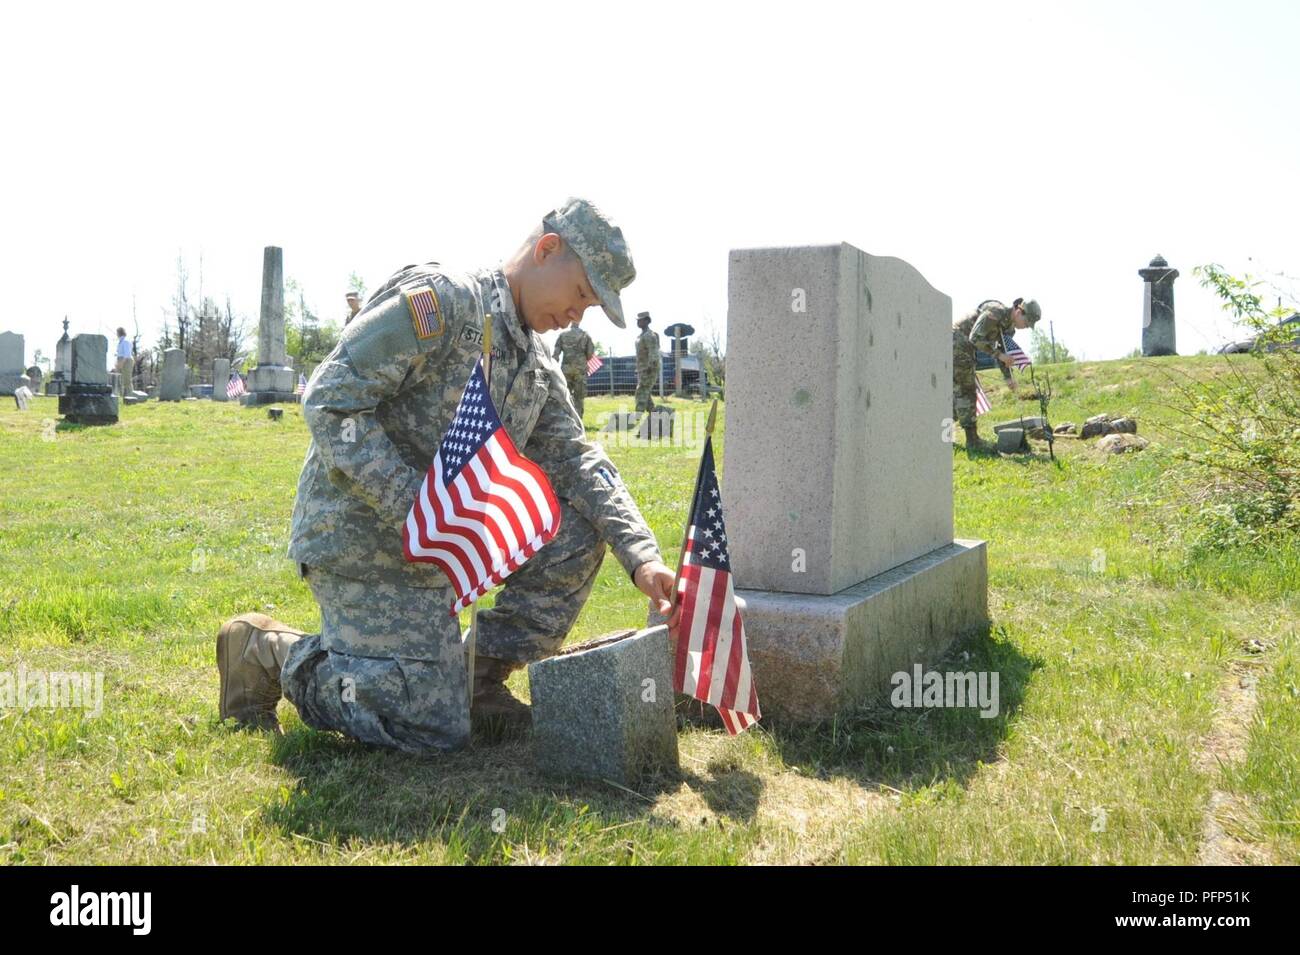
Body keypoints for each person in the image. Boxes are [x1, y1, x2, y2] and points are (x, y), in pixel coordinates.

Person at [216, 198, 681, 754]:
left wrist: (643, 555)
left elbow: (579, 460)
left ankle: (475, 678)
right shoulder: (442, 302)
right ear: (547, 249)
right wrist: (416, 507)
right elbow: (330, 402)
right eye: (582, 293)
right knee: (429, 728)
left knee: (577, 535)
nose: (579, 315)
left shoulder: (534, 364)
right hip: (364, 539)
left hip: (449, 544)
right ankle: (267, 650)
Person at [952, 297, 1041, 448]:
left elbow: (1002, 352)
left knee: (958, 393)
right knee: (967, 391)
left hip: (967, 348)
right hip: (957, 342)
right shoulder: (995, 312)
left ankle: (939, 433)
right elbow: (975, 337)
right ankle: (972, 441)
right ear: (1019, 312)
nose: (1026, 327)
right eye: (1026, 323)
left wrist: (1008, 378)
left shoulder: (1009, 328)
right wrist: (1000, 355)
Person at [553, 321, 595, 417]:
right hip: (580, 369)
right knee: (579, 397)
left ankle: (565, 418)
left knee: (564, 395)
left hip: (565, 369)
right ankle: (579, 419)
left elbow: (556, 354)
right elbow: (590, 353)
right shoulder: (585, 335)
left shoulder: (562, 335)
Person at [634, 312, 661, 414]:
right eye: (638, 320)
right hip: (642, 369)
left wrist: (650, 368)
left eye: (640, 320)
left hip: (649, 369)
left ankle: (637, 415)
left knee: (641, 391)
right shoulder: (641, 336)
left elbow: (653, 353)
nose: (638, 322)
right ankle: (654, 414)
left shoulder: (649, 335)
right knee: (646, 392)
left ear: (647, 321)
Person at [114, 328, 134, 396]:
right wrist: (117, 363)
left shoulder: (126, 341)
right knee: (120, 380)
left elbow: (126, 354)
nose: (116, 334)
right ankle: (122, 396)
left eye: (117, 332)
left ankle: (130, 396)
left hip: (126, 361)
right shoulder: (120, 342)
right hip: (120, 360)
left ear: (119, 333)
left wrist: (121, 363)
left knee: (127, 380)